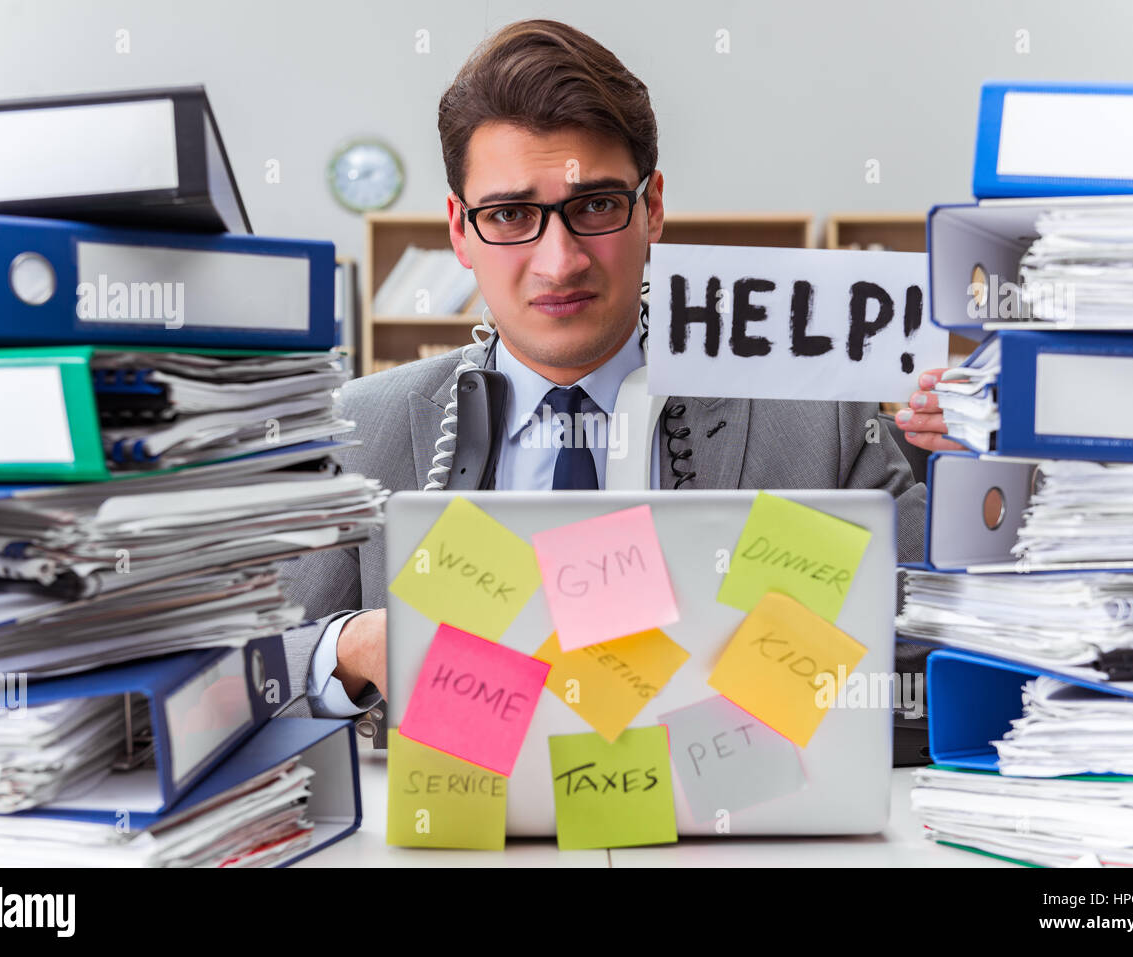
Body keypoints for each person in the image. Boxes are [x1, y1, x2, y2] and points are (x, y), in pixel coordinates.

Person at [276, 18, 951, 720]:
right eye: (510, 215)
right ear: (460, 230)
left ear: (651, 207)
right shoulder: (355, 430)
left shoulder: (815, 417)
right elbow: (233, 681)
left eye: (594, 205)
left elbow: (936, 645)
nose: (560, 261)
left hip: (734, 818)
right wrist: (352, 649)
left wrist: (980, 479)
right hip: (454, 824)